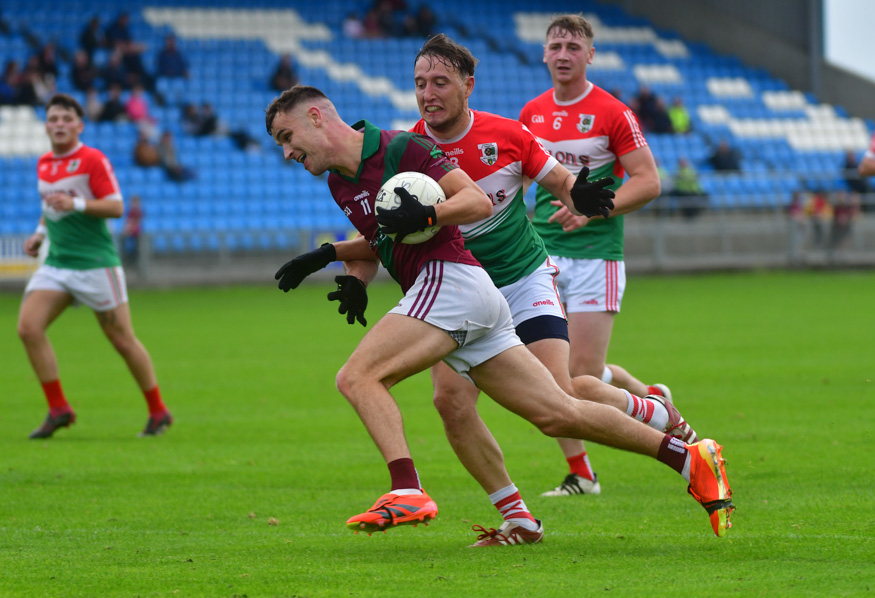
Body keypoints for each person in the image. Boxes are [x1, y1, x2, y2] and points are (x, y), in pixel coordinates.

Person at [264, 84, 734, 545]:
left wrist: (427, 218)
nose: (286, 152)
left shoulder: (401, 147)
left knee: (358, 377)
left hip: (450, 282)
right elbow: (381, 238)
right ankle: (690, 461)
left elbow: (475, 200)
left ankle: (407, 488)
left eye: (287, 138)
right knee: (558, 412)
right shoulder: (339, 181)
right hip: (472, 296)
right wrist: (342, 267)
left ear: (316, 117)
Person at [409, 34, 699, 542]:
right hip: (464, 287)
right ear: (544, 54)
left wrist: (586, 200)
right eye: (419, 83)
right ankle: (526, 513)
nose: (428, 93)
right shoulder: (412, 148)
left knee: (566, 391)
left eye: (440, 82)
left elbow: (613, 181)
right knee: (450, 401)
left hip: (560, 266)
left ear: (468, 86)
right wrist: (347, 261)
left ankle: (653, 417)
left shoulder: (593, 114)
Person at [520, 14, 678, 497]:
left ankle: (651, 404)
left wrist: (592, 213)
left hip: (596, 256)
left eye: (573, 46)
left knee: (580, 374)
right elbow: (520, 178)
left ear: (590, 55)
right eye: (556, 46)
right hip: (541, 258)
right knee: (553, 378)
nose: (564, 54)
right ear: (544, 54)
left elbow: (649, 181)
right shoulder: (531, 113)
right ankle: (583, 473)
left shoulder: (612, 112)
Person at [18, 94, 172, 439]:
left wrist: (74, 203)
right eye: (53, 118)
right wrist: (40, 234)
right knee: (28, 328)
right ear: (46, 125)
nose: (59, 124)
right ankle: (58, 409)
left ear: (79, 125)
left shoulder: (92, 159)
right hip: (58, 262)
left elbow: (116, 207)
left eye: (66, 119)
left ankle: (158, 410)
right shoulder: (44, 163)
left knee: (121, 340)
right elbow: (51, 206)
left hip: (96, 263)